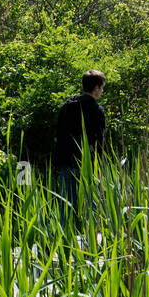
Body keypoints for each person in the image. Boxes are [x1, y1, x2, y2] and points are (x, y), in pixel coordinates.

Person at [54, 70, 107, 216]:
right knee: (91, 208)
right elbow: (99, 144)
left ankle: (64, 237)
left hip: (66, 163)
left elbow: (58, 136)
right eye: (102, 88)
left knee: (66, 206)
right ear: (96, 88)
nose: (102, 91)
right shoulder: (97, 111)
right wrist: (99, 169)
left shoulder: (66, 107)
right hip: (87, 166)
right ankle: (89, 238)